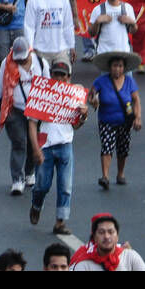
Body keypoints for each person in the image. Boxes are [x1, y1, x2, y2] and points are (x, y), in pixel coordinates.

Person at [28, 59, 87, 235]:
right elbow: (32, 123)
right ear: (51, 75)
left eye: (63, 75)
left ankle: (60, 222)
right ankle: (36, 205)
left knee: (65, 186)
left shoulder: (74, 96)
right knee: (41, 185)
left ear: (68, 77)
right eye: (56, 74)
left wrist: (83, 116)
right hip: (45, 146)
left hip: (65, 145)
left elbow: (76, 125)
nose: (59, 78)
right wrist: (35, 149)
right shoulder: (41, 93)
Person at [0, 37, 47, 195]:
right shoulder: (7, 63)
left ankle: (30, 172)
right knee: (19, 142)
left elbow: (49, 85)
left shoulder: (41, 63)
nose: (21, 61)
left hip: (35, 111)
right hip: (14, 110)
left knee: (32, 143)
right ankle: (17, 179)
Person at [89, 50, 141, 189]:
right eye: (114, 66)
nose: (117, 69)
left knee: (123, 148)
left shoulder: (129, 81)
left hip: (125, 121)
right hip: (106, 120)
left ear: (124, 68)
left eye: (120, 66)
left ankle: (120, 173)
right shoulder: (101, 81)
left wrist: (138, 118)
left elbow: (136, 100)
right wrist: (93, 100)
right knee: (107, 146)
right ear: (109, 67)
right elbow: (91, 94)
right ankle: (105, 176)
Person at [69, 212, 145, 271]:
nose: (106, 236)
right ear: (94, 237)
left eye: (110, 232)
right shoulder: (84, 264)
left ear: (117, 236)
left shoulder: (130, 256)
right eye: (101, 232)